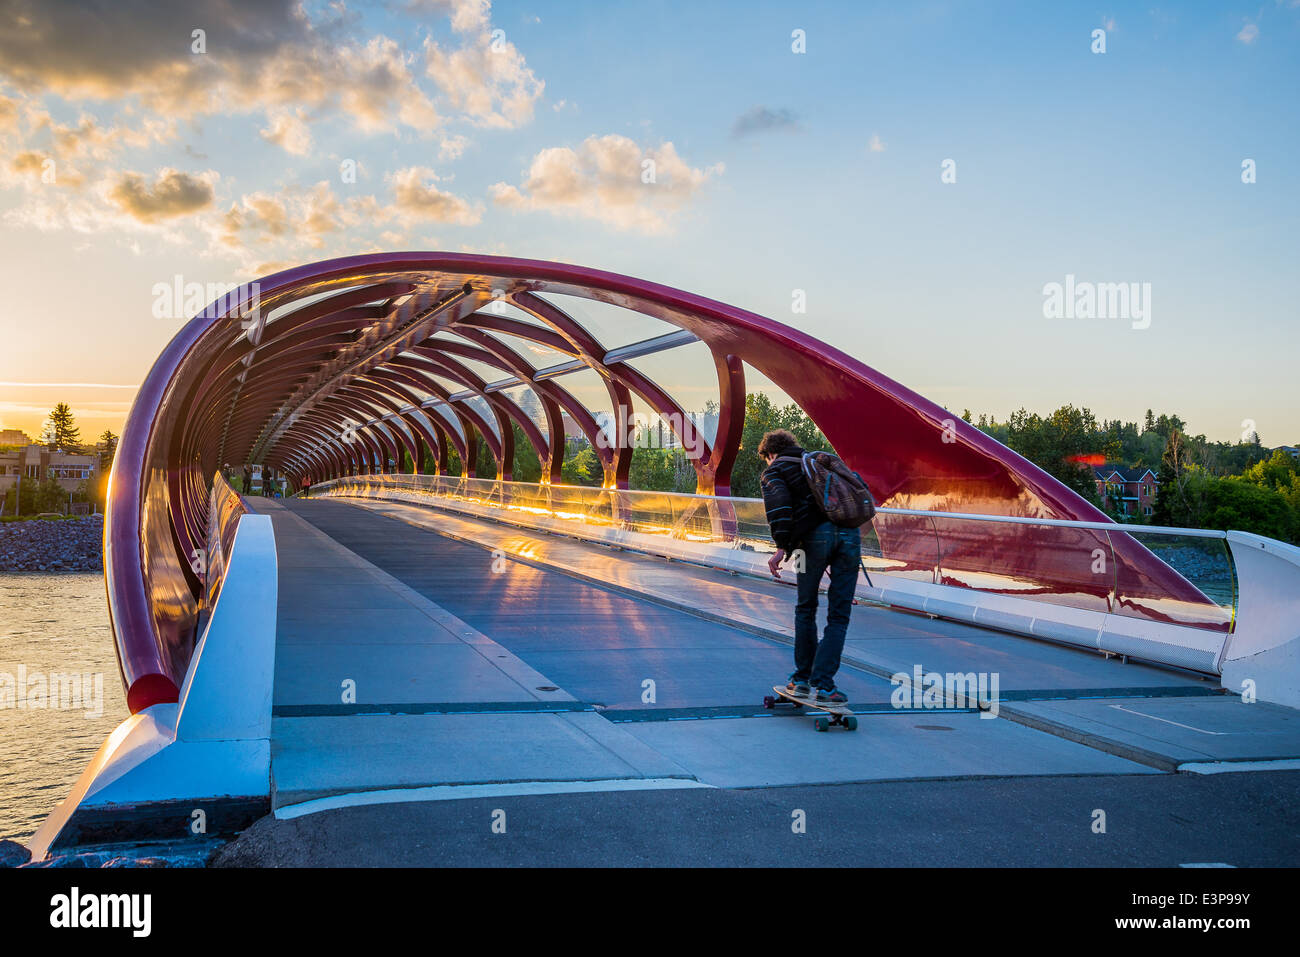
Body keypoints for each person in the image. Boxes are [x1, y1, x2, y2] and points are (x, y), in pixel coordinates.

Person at [758, 429, 861, 703]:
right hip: (850, 536)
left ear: (770, 454)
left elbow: (779, 509)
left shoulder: (775, 470)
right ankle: (825, 685)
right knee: (839, 614)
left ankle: (802, 679)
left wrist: (781, 548)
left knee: (806, 607)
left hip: (812, 542)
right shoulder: (816, 462)